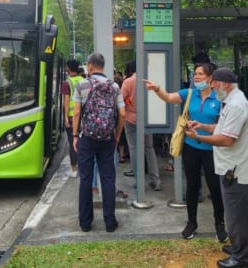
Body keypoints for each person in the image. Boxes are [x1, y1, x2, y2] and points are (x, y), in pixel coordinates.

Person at [144, 62, 225, 241]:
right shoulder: (189, 93)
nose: (196, 77)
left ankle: (220, 224)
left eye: (200, 74)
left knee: (214, 187)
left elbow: (223, 126)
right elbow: (168, 97)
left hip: (212, 149)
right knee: (192, 186)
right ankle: (191, 223)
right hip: (191, 147)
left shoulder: (219, 98)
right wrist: (157, 88)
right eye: (195, 74)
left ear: (210, 78)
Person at [187, 67, 248, 267]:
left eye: (214, 83)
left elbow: (227, 139)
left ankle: (241, 257)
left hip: (236, 169)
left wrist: (199, 137)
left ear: (225, 84)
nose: (212, 87)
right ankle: (239, 246)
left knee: (236, 215)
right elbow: (221, 128)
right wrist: (203, 126)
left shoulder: (237, 105)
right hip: (230, 167)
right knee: (236, 213)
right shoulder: (230, 101)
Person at [72, 52, 126, 233]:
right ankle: (110, 222)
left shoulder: (82, 85)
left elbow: (77, 113)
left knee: (86, 179)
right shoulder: (114, 86)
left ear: (89, 66)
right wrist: (116, 136)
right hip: (107, 139)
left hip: (87, 138)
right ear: (103, 66)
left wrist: (75, 135)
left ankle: (85, 223)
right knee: (108, 179)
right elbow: (123, 114)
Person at [121, 61, 161, 191]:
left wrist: (129, 104)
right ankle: (156, 180)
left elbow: (121, 100)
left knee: (134, 149)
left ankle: (139, 181)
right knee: (149, 148)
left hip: (131, 118)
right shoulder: (148, 80)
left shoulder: (128, 82)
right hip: (147, 119)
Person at [61, 59, 83, 178]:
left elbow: (66, 100)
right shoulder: (83, 81)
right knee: (82, 142)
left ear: (68, 68)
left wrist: (65, 118)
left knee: (73, 143)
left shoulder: (67, 83)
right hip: (83, 117)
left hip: (71, 117)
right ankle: (83, 168)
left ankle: (74, 170)